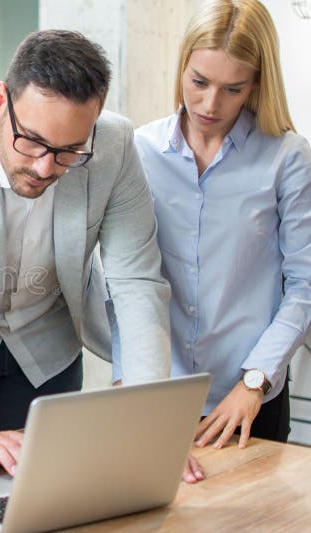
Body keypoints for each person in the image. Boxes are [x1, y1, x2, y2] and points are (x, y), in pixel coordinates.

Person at [0, 30, 171, 476]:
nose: (45, 167)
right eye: (33, 142)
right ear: (1, 100)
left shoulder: (114, 146)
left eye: (69, 151)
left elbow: (136, 280)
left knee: (55, 486)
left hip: (48, 347)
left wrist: (145, 411)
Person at [134, 0, 311, 457]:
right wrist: (130, 377)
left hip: (250, 398)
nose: (210, 105)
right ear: (182, 67)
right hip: (160, 394)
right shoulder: (140, 151)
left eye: (232, 89)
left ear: (256, 83)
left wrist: (255, 382)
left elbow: (304, 284)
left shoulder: (287, 157)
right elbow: (124, 277)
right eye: (199, 82)